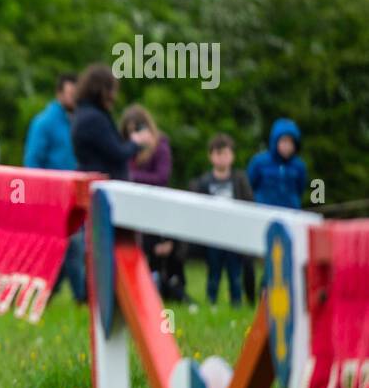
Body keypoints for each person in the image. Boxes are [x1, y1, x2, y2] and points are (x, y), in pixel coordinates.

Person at [24, 73, 85, 303]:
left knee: (75, 249)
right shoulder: (45, 123)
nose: (75, 97)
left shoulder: (79, 121)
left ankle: (79, 298)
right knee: (52, 251)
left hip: (75, 197)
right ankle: (46, 296)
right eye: (71, 93)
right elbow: (32, 161)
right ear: (59, 93)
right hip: (50, 197)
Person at [119, 104, 187, 301]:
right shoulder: (128, 150)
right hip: (133, 209)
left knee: (160, 257)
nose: (134, 135)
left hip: (156, 208)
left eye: (137, 129)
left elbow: (162, 177)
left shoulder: (160, 145)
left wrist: (132, 176)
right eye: (129, 131)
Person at [189, 133, 254, 306]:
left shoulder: (239, 179)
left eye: (225, 153)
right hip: (213, 235)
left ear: (232, 155)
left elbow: (249, 203)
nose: (222, 158)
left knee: (235, 274)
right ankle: (211, 304)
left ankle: (237, 304)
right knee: (214, 273)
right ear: (211, 156)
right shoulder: (204, 181)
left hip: (234, 235)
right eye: (218, 154)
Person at [70, 64, 154, 179]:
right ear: (103, 90)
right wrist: (136, 142)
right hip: (103, 187)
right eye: (112, 90)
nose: (114, 96)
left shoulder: (82, 113)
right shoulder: (94, 118)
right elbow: (117, 153)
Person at [247, 118, 307, 209]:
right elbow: (249, 187)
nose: (287, 146)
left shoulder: (299, 166)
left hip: (290, 214)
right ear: (275, 141)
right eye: (284, 141)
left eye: (291, 142)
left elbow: (300, 189)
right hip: (263, 213)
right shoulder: (259, 162)